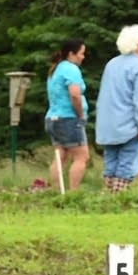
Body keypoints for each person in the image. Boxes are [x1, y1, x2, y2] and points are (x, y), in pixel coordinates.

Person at [94, 24, 138, 192]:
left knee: (110, 166)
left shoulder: (111, 64)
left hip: (108, 126)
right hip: (130, 126)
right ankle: (120, 201)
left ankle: (106, 200)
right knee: (126, 167)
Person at [44, 38, 90, 192]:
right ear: (71, 54)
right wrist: (81, 114)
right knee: (81, 157)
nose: (83, 57)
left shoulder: (55, 69)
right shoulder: (71, 69)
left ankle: (57, 192)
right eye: (81, 53)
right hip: (69, 119)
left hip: (52, 119)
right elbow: (75, 95)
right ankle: (73, 193)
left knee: (60, 157)